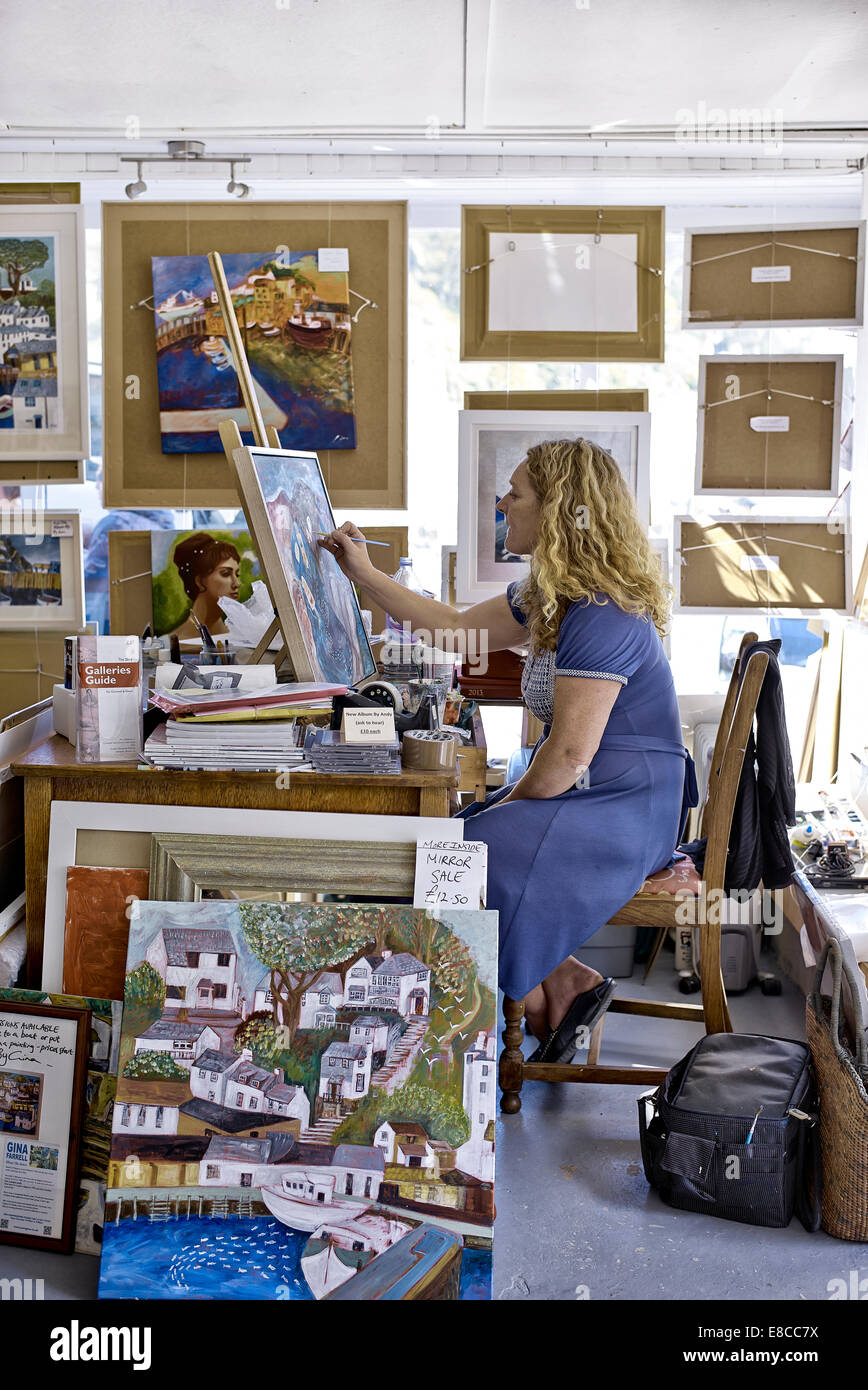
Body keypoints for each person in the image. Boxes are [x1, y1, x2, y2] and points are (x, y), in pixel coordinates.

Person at [318, 438, 690, 1064]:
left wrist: (503, 806)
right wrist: (363, 573)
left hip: (625, 806)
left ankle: (469, 1037)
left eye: (515, 493)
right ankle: (564, 985)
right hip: (595, 795)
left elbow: (569, 754)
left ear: (558, 509)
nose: (501, 502)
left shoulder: (602, 611)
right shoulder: (554, 594)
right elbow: (452, 631)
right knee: (449, 845)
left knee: (465, 851)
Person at [167, 532, 241, 640]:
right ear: (200, 581)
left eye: (237, 574)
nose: (236, 584)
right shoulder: (171, 642)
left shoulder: (237, 638)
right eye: (225, 573)